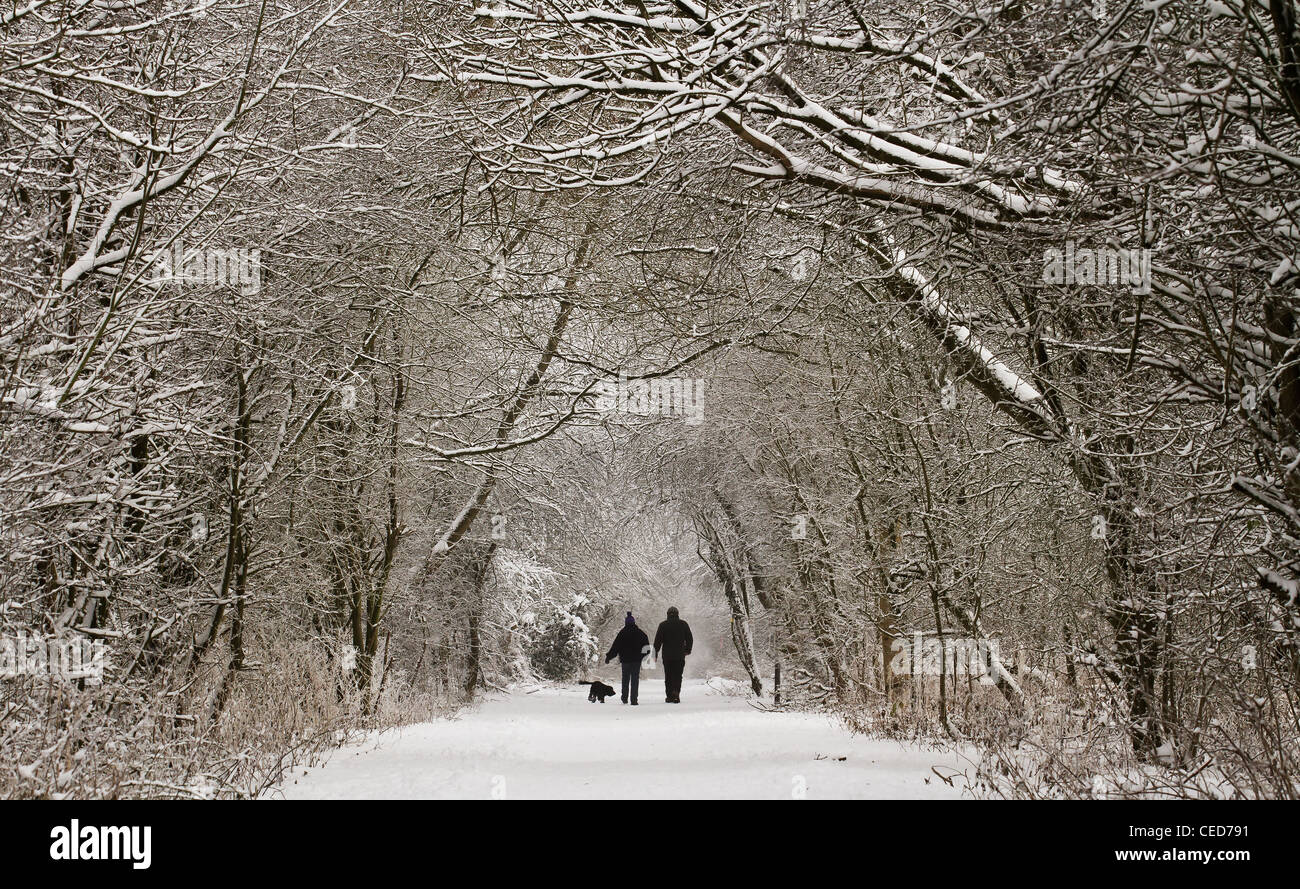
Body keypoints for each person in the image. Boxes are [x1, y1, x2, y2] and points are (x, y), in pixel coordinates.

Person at [605, 612, 650, 705]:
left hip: (625, 661)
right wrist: (641, 656)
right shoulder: (641, 633)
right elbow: (647, 649)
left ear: (626, 623)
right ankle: (634, 700)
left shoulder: (622, 633)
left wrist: (609, 657)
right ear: (634, 623)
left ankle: (624, 698)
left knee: (625, 679)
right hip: (636, 661)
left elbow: (615, 647)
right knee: (635, 680)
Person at [653, 606, 693, 703]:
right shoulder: (683, 624)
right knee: (678, 675)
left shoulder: (663, 625)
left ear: (667, 614)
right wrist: (687, 650)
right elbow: (689, 638)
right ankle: (676, 694)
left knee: (668, 675)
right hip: (680, 655)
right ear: (677, 614)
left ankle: (669, 695)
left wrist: (655, 654)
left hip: (667, 656)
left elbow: (657, 641)